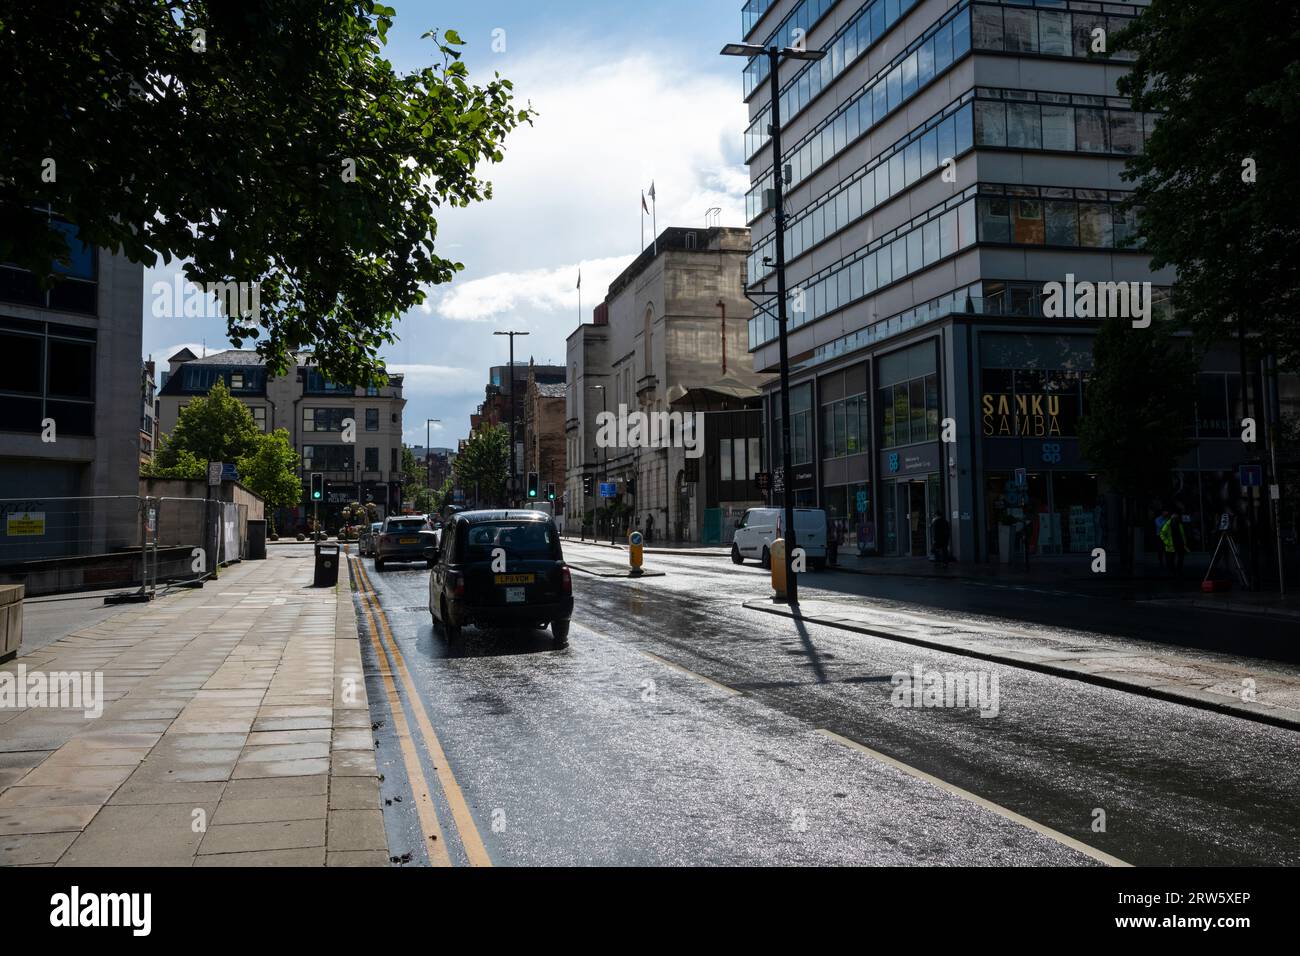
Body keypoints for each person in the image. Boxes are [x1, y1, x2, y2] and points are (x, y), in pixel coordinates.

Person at [1159, 507, 1187, 577]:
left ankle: (1178, 571)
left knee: (1180, 557)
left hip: (1179, 543)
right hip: (1171, 544)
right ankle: (1173, 572)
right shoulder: (1168, 524)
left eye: (1176, 515)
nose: (1175, 516)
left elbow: (1182, 534)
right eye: (1174, 515)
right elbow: (1162, 534)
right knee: (1171, 559)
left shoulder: (1179, 523)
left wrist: (1184, 543)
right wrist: (1167, 542)